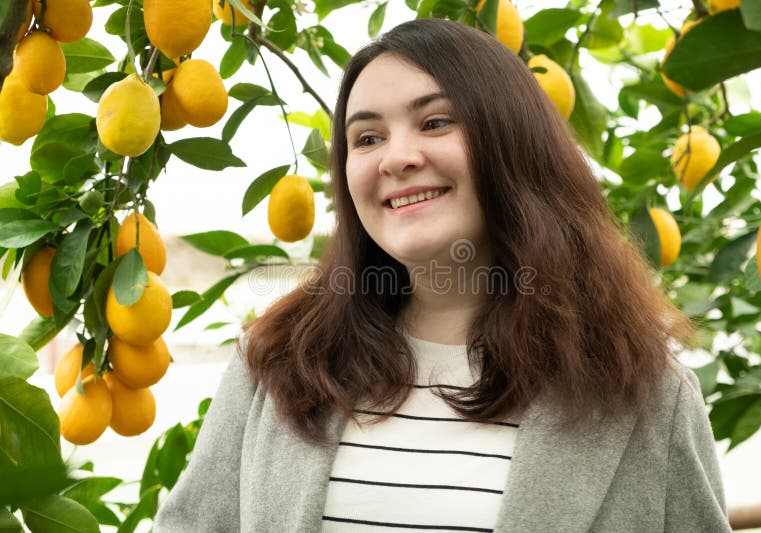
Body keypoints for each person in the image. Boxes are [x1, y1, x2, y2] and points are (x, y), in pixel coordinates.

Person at [154, 17, 731, 533]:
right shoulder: (277, 361)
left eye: (434, 122)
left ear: (513, 144)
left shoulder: (644, 391)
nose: (395, 157)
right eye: (367, 137)